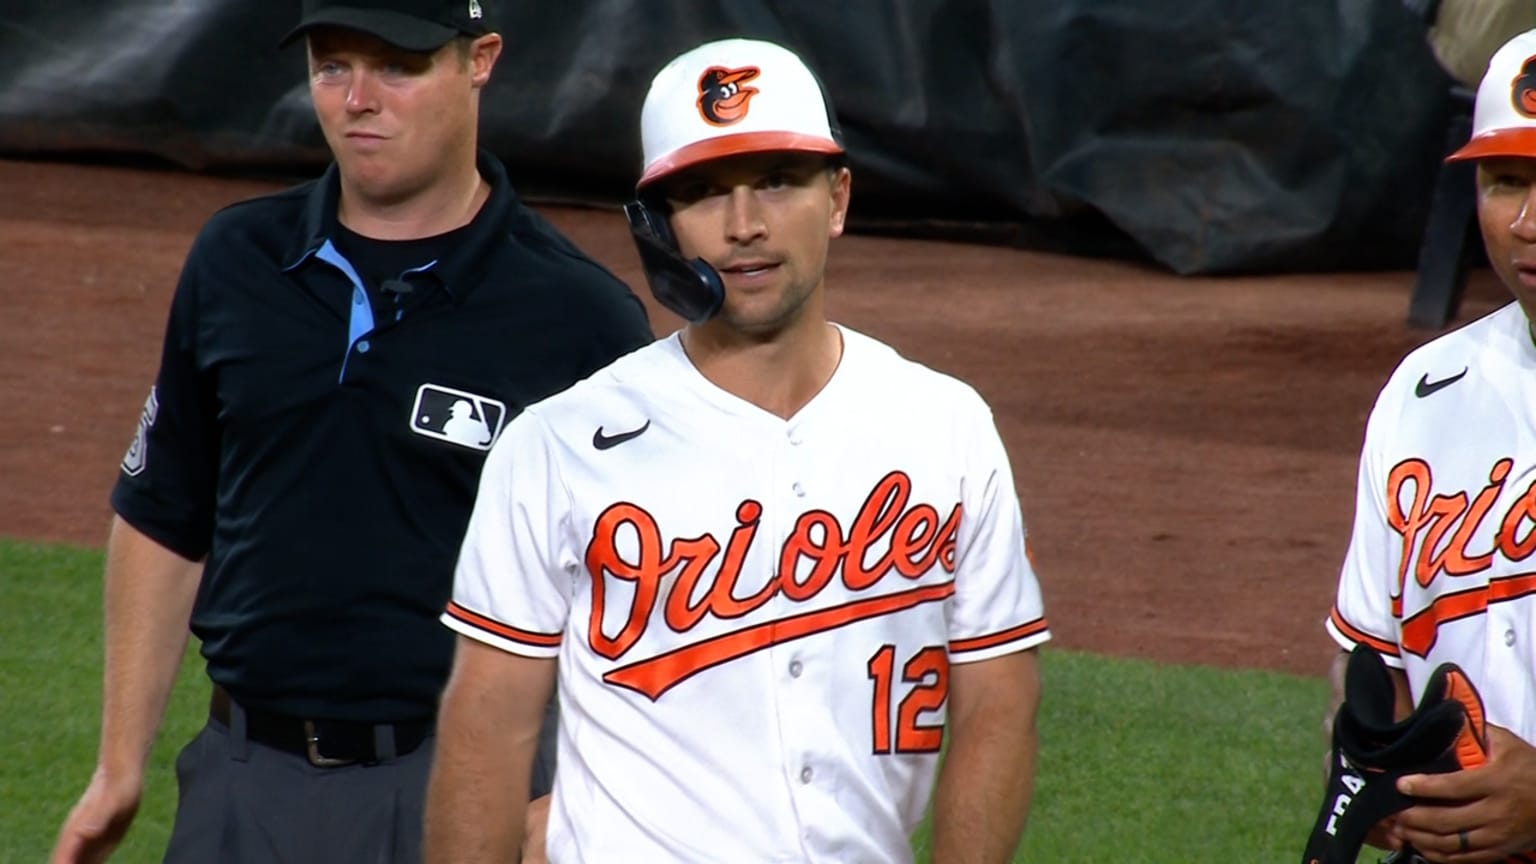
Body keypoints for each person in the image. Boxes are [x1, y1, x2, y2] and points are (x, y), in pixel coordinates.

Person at [48, 1, 653, 862]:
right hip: (241, 779)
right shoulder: (237, 260)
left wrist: (579, 794)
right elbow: (164, 513)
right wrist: (118, 768)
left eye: (396, 66)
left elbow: (646, 593)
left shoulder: (578, 319)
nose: (357, 99)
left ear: (479, 59)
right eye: (333, 66)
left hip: (461, 787)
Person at [424, 36, 1050, 863]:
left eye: (779, 182)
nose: (745, 225)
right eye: (704, 193)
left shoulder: (946, 425)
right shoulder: (558, 445)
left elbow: (997, 703)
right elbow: (487, 730)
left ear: (838, 198)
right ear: (658, 227)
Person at [1322, 27, 1536, 863]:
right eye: (1506, 182)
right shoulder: (1424, 388)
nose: (1527, 222)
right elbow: (1368, 659)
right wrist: (1373, 770)